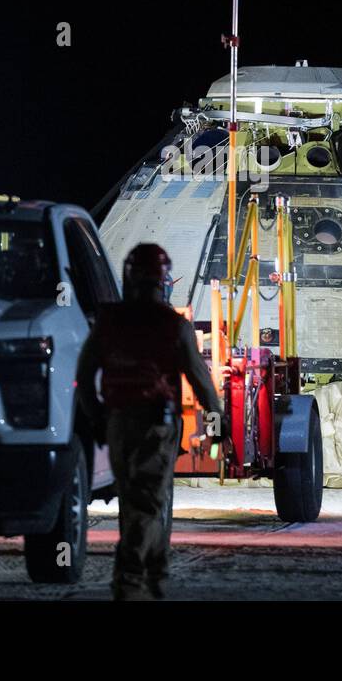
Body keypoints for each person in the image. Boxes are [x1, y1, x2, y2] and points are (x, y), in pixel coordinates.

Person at [75, 243, 224, 600]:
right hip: (156, 429)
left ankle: (156, 575)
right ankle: (128, 581)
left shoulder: (108, 321)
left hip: (116, 424)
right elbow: (200, 380)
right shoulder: (173, 325)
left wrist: (97, 418)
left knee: (134, 500)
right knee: (150, 502)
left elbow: (84, 374)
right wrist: (218, 423)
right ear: (164, 280)